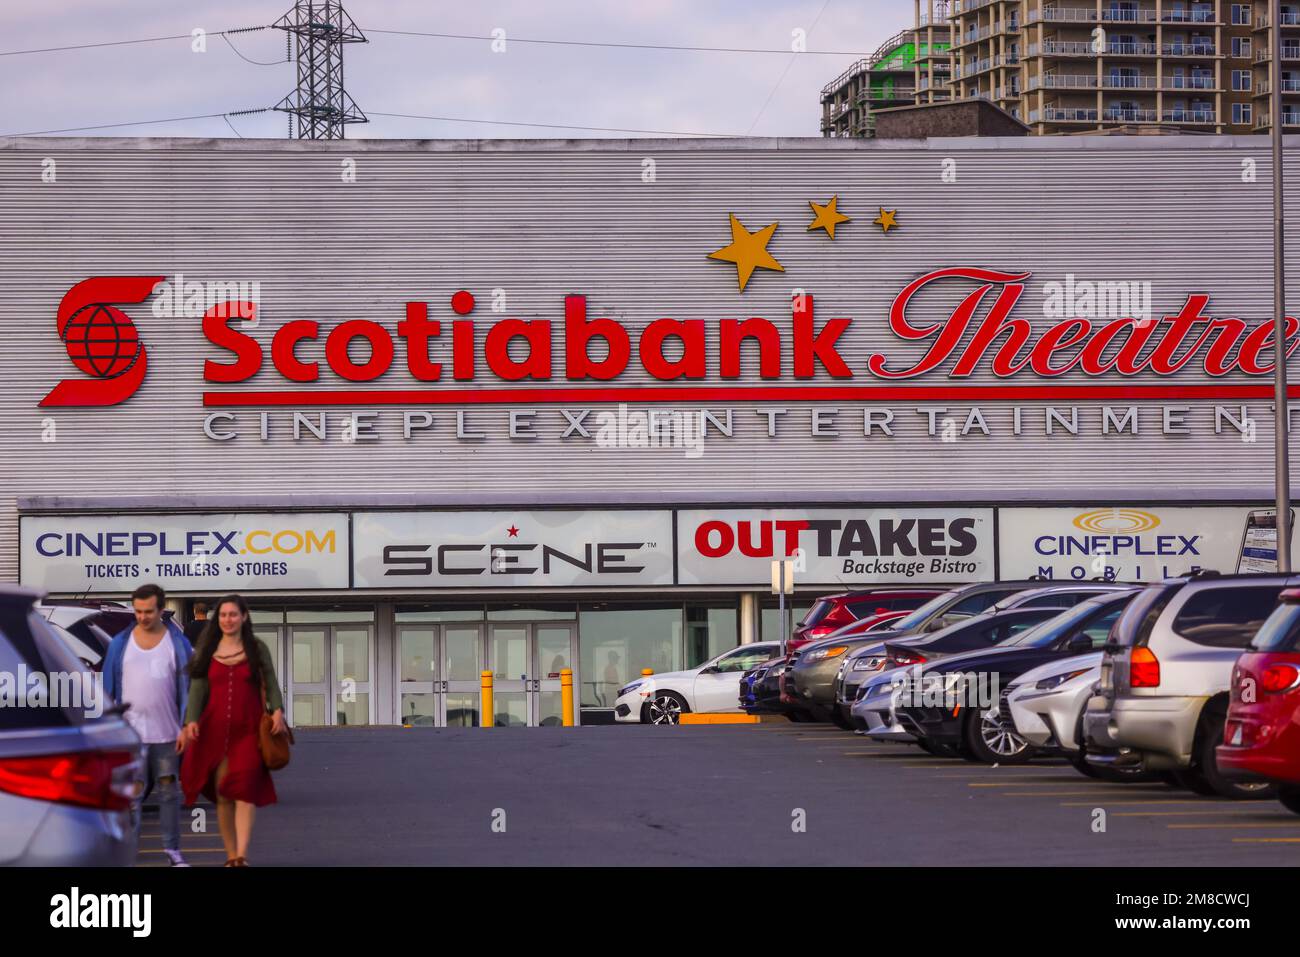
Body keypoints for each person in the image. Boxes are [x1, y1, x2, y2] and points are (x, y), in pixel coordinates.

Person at [180, 594, 287, 867]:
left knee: (244, 788)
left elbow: (271, 680)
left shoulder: (256, 647)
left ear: (244, 617)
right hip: (214, 730)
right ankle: (231, 856)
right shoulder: (208, 648)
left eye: (233, 615)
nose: (228, 620)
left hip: (249, 730)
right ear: (219, 619)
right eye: (224, 615)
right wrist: (191, 721)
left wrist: (277, 710)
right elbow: (198, 688)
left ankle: (242, 854)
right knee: (224, 792)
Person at [102, 583, 193, 868]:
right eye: (138, 611)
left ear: (161, 610)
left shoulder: (177, 644)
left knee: (168, 793)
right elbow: (107, 689)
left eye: (148, 611)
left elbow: (190, 687)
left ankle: (173, 853)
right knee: (131, 798)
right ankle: (128, 856)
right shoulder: (120, 643)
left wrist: (187, 724)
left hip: (167, 735)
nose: (142, 617)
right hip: (131, 737)